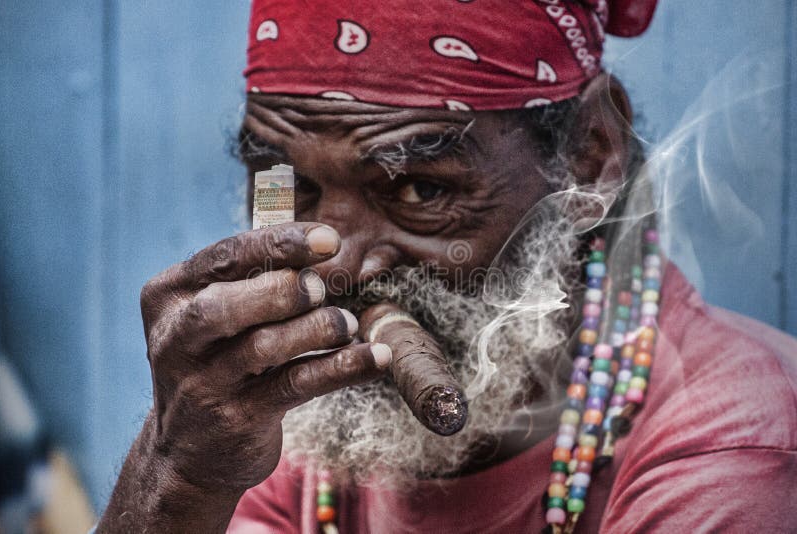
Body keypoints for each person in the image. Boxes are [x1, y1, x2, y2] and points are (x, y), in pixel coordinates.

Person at [97, 1, 797, 532]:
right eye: (285, 187)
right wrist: (181, 477)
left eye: (419, 189)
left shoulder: (727, 453)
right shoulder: (294, 442)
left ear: (591, 154)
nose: (336, 266)